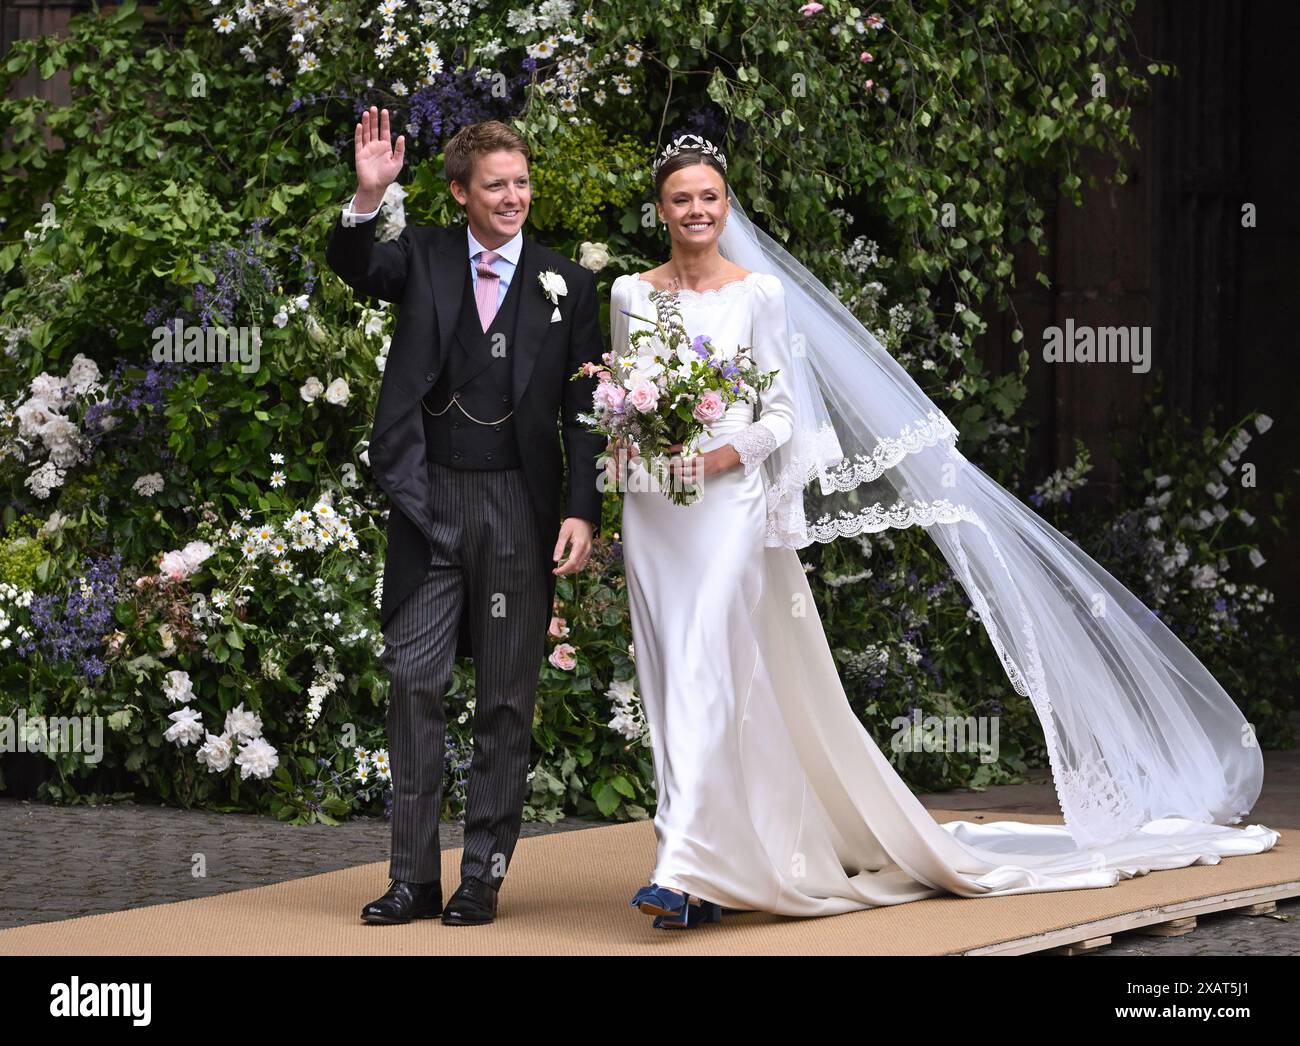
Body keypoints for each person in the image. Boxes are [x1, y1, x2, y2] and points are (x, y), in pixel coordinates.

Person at [609, 134, 1280, 930]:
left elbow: (783, 413)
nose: (696, 211)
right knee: (669, 676)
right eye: (681, 198)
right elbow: (623, 399)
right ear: (660, 209)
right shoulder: (628, 293)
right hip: (658, 511)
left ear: (726, 206)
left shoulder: (758, 295)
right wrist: (639, 462)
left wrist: (720, 457)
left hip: (726, 507)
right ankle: (714, 865)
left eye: (709, 197)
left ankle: (682, 865)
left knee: (702, 671)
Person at [325, 111, 605, 926]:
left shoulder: (567, 286)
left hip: (520, 509)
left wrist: (582, 511)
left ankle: (482, 874)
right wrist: (368, 197)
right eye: (496, 184)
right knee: (414, 681)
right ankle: (413, 877)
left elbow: (585, 412)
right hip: (429, 503)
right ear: (460, 192)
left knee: (507, 697)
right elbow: (355, 267)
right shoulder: (425, 258)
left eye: (521, 182)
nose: (514, 196)